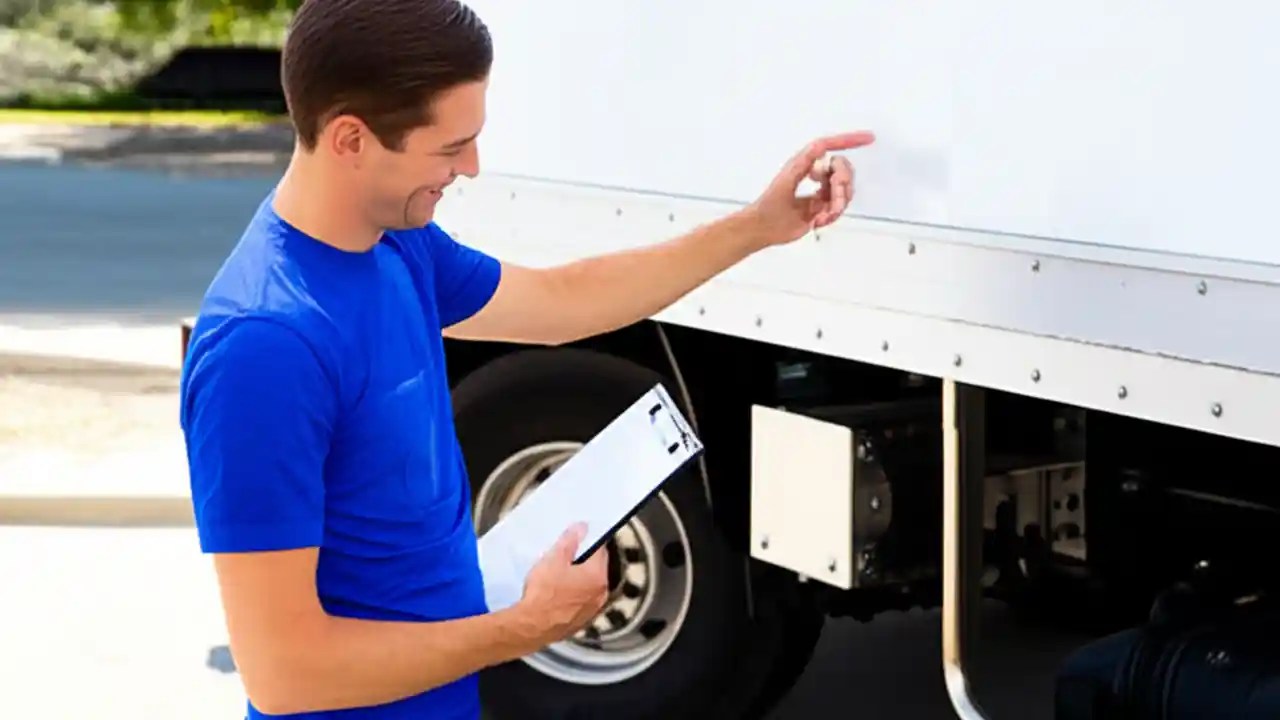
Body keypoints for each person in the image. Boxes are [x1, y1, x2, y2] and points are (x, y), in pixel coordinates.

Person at [178, 0, 873, 718]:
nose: (471, 169)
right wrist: (522, 628)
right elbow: (286, 675)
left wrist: (758, 227)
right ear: (351, 138)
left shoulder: (395, 243)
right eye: (450, 148)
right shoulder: (264, 349)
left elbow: (562, 300)